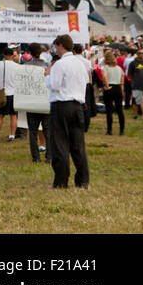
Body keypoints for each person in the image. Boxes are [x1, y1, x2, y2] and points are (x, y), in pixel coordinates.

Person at [45, 34, 89, 189]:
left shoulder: (59, 64)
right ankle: (83, 180)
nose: (55, 49)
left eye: (56, 46)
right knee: (78, 146)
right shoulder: (80, 64)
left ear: (60, 45)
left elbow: (55, 85)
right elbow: (86, 83)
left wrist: (47, 77)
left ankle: (61, 181)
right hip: (78, 106)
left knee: (60, 144)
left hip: (61, 105)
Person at [24, 43, 50, 163]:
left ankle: (36, 157)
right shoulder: (46, 66)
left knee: (33, 132)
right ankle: (49, 156)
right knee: (48, 131)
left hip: (31, 102)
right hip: (45, 101)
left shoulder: (26, 66)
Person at [0, 47, 19, 142]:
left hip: (2, 93)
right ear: (12, 56)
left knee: (0, 116)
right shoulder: (17, 66)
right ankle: (12, 136)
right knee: (13, 116)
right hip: (13, 93)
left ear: (4, 55)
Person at [102, 48, 125, 135]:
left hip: (110, 88)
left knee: (109, 110)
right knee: (119, 110)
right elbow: (122, 79)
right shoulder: (119, 68)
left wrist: (107, 85)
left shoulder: (105, 67)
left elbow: (104, 76)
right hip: (118, 87)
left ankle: (109, 130)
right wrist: (122, 89)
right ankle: (121, 130)